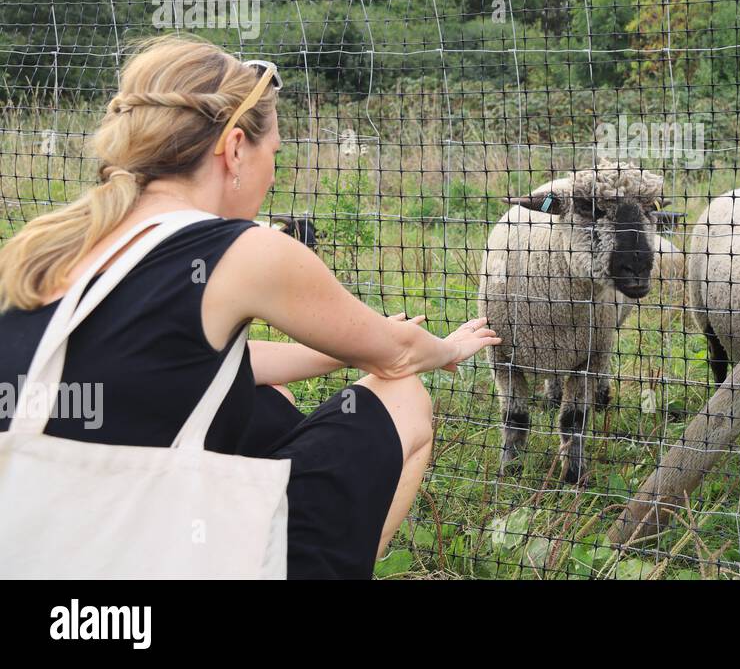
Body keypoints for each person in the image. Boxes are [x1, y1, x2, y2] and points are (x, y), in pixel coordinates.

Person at [0, 34, 500, 578]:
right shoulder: (243, 250)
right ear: (235, 148)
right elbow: (399, 357)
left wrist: (337, 353)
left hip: (43, 539)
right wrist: (445, 348)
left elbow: (183, 361)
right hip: (142, 551)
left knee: (267, 396)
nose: (273, 170)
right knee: (401, 396)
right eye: (274, 153)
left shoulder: (49, 243)